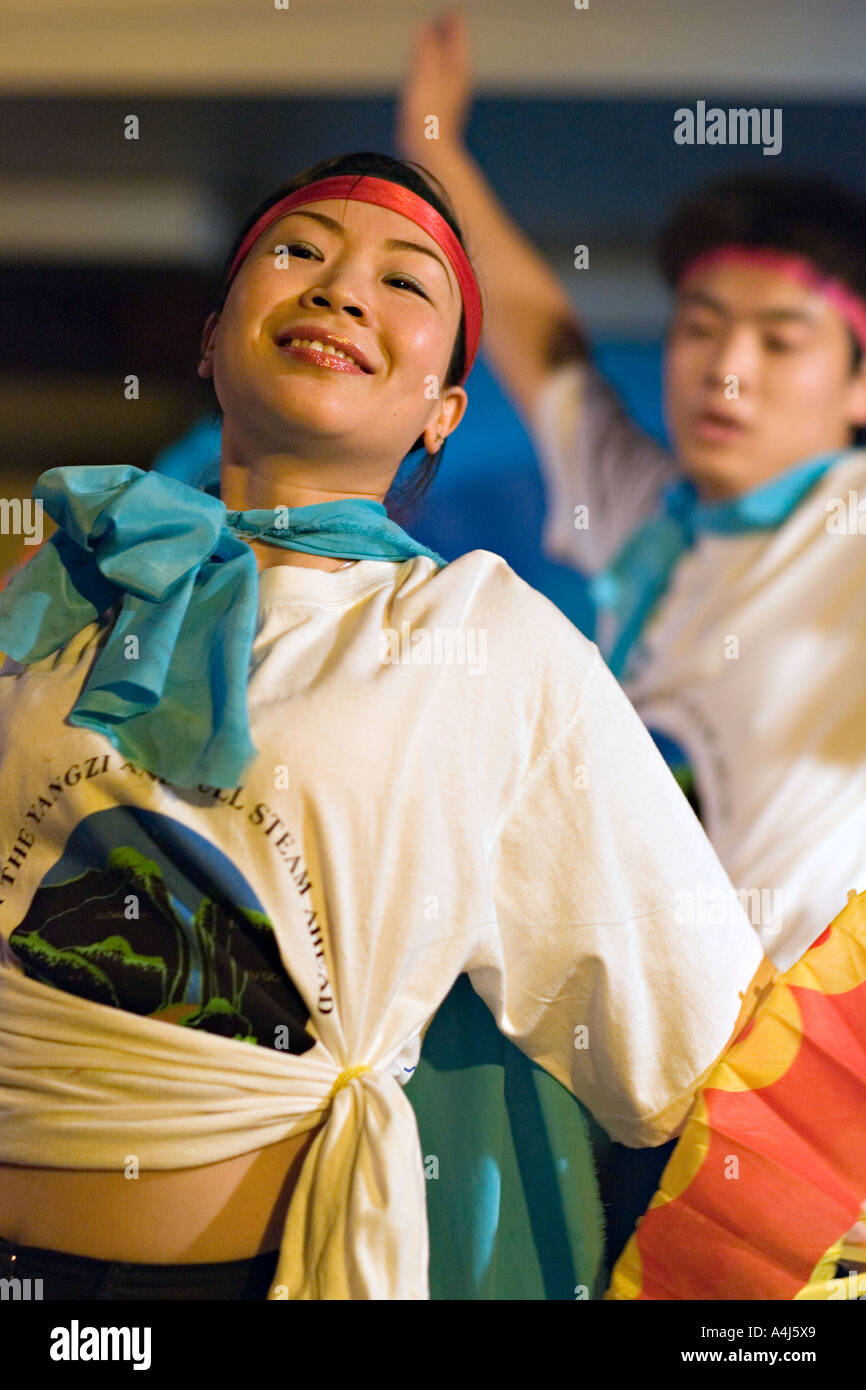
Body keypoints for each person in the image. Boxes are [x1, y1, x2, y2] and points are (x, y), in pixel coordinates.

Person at [0, 150, 773, 1301]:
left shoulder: (484, 639)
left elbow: (695, 1030)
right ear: (211, 341)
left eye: (404, 283)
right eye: (298, 253)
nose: (341, 290)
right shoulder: (58, 578)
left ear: (440, 411)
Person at [397, 11, 866, 979]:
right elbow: (545, 347)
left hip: (789, 1077)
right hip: (638, 1047)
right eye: (699, 329)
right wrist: (431, 151)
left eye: (779, 341)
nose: (725, 369)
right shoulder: (647, 516)